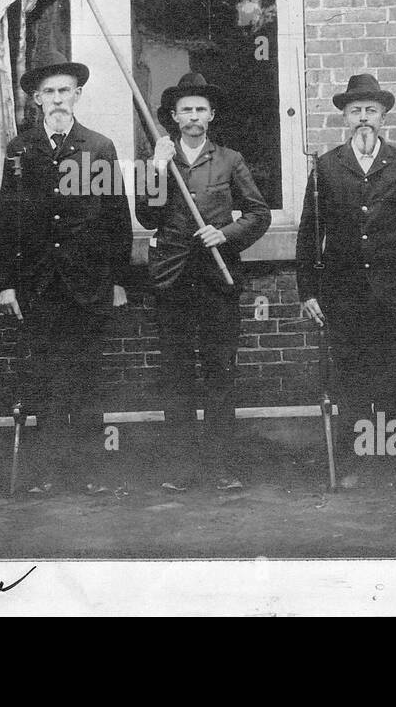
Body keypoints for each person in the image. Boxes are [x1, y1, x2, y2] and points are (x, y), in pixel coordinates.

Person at [0, 58, 132, 495]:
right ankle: (49, 473)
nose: (57, 99)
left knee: (87, 377)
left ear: (77, 96)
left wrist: (116, 279)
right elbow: (6, 220)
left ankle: (89, 472)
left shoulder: (99, 147)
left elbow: (116, 219)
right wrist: (7, 283)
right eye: (49, 92)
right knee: (46, 379)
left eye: (65, 91)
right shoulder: (20, 150)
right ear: (36, 100)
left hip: (87, 284)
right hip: (39, 286)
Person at [296, 74, 396, 488]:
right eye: (355, 111)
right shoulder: (326, 167)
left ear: (383, 116)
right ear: (344, 117)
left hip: (394, 294)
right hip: (344, 296)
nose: (364, 118)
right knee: (352, 381)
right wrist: (308, 292)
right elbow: (309, 234)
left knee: (392, 380)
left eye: (371, 111)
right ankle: (355, 463)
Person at [136, 72, 270, 491]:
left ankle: (221, 466)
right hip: (173, 278)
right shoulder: (157, 159)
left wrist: (224, 234)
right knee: (176, 374)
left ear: (211, 115)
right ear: (173, 117)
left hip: (216, 277)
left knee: (219, 372)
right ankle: (180, 468)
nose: (193, 117)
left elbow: (258, 214)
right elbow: (147, 217)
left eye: (200, 109)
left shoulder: (231, 160)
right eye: (185, 110)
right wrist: (158, 168)